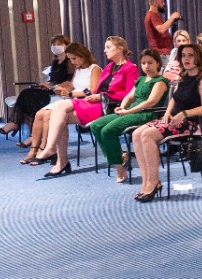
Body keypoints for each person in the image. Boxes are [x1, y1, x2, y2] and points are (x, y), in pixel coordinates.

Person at [34, 36, 139, 178]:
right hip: (97, 102)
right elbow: (96, 90)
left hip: (110, 106)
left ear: (119, 49)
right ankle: (60, 160)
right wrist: (92, 95)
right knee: (59, 115)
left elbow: (129, 95)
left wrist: (101, 96)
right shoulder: (109, 67)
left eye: (108, 47)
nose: (104, 50)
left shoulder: (130, 68)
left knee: (60, 107)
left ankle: (52, 150)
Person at [129, 43, 202, 201]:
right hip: (176, 120)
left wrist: (184, 114)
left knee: (147, 136)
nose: (186, 59)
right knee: (136, 134)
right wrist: (168, 113)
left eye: (190, 55)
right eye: (183, 56)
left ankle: (154, 182)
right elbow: (174, 99)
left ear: (199, 57)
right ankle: (146, 180)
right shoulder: (183, 77)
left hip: (194, 124)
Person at [89, 48, 170, 183]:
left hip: (146, 114)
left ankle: (119, 166)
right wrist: (123, 106)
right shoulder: (141, 79)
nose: (147, 66)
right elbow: (130, 96)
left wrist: (128, 111)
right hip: (131, 111)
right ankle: (120, 156)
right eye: (144, 63)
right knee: (96, 125)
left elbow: (151, 102)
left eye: (150, 63)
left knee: (108, 131)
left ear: (158, 64)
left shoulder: (160, 81)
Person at [22, 42, 98, 167]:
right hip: (71, 99)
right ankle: (33, 150)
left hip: (82, 101)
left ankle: (44, 149)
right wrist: (63, 89)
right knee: (40, 114)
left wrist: (70, 94)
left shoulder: (94, 68)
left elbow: (91, 90)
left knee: (48, 116)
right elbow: (73, 86)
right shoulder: (78, 70)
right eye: (70, 59)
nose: (72, 62)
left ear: (82, 55)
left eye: (74, 58)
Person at [0, 34, 72, 139]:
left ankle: (17, 124)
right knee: (26, 93)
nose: (56, 47)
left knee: (29, 97)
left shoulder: (70, 61)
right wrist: (48, 84)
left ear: (66, 46)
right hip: (51, 89)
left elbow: (69, 81)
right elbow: (52, 80)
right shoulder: (55, 62)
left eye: (59, 44)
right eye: (54, 45)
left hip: (60, 92)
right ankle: (20, 125)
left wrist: (53, 86)